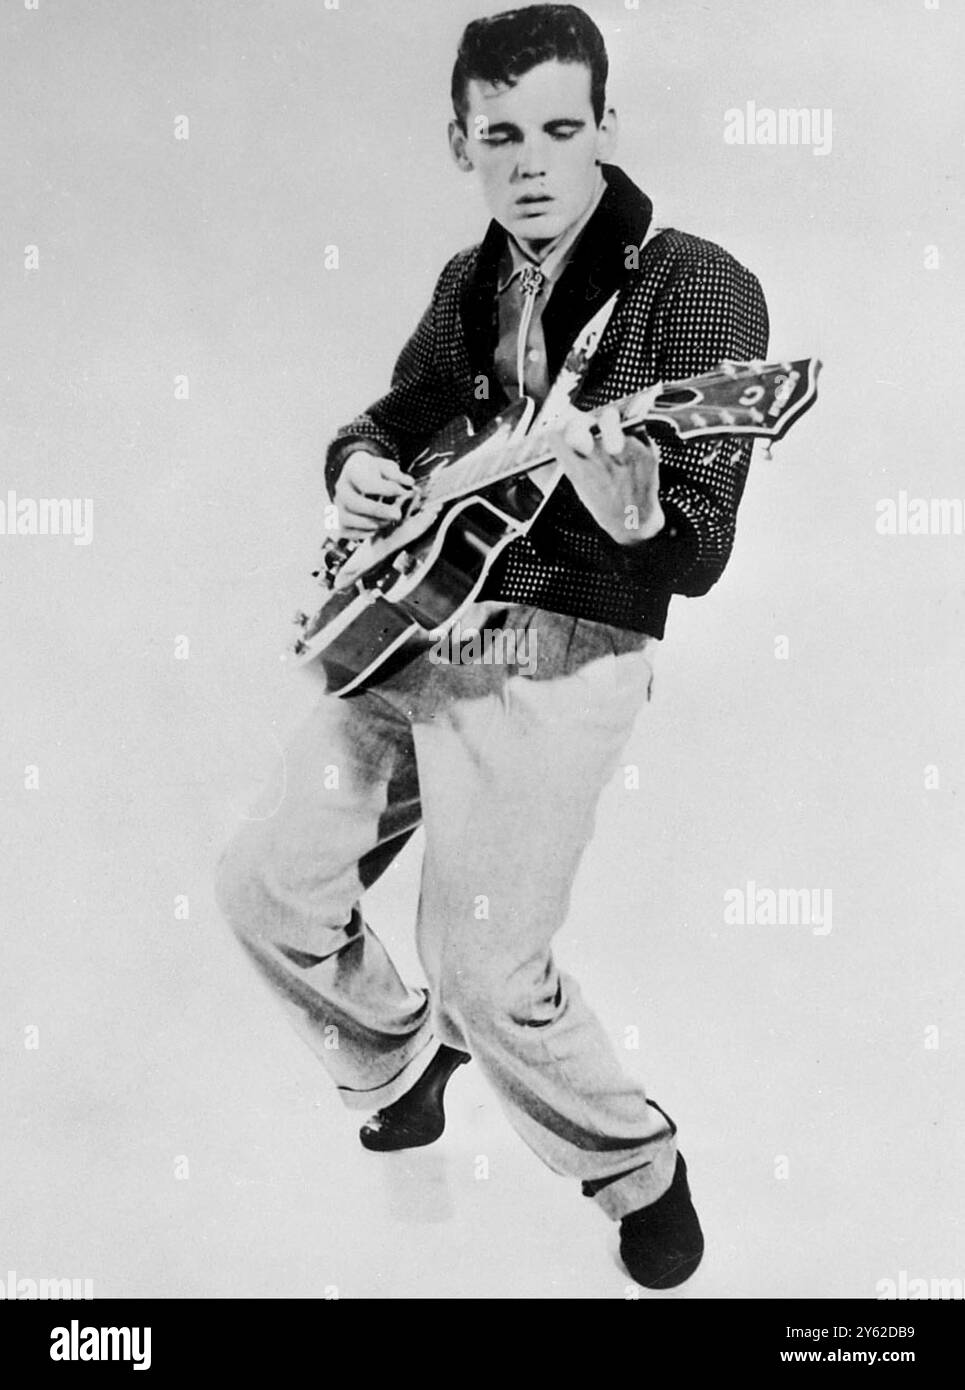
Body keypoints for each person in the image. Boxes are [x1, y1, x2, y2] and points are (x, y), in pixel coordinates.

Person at [216, 3, 769, 1290]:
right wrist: (356, 467)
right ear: (459, 140)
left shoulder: (695, 287)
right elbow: (394, 415)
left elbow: (694, 544)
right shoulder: (470, 282)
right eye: (500, 134)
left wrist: (628, 502)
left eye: (560, 130)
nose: (531, 161)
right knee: (264, 884)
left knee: (479, 967)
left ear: (605, 129)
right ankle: (402, 1064)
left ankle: (635, 1164)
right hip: (411, 628)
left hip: (559, 644)